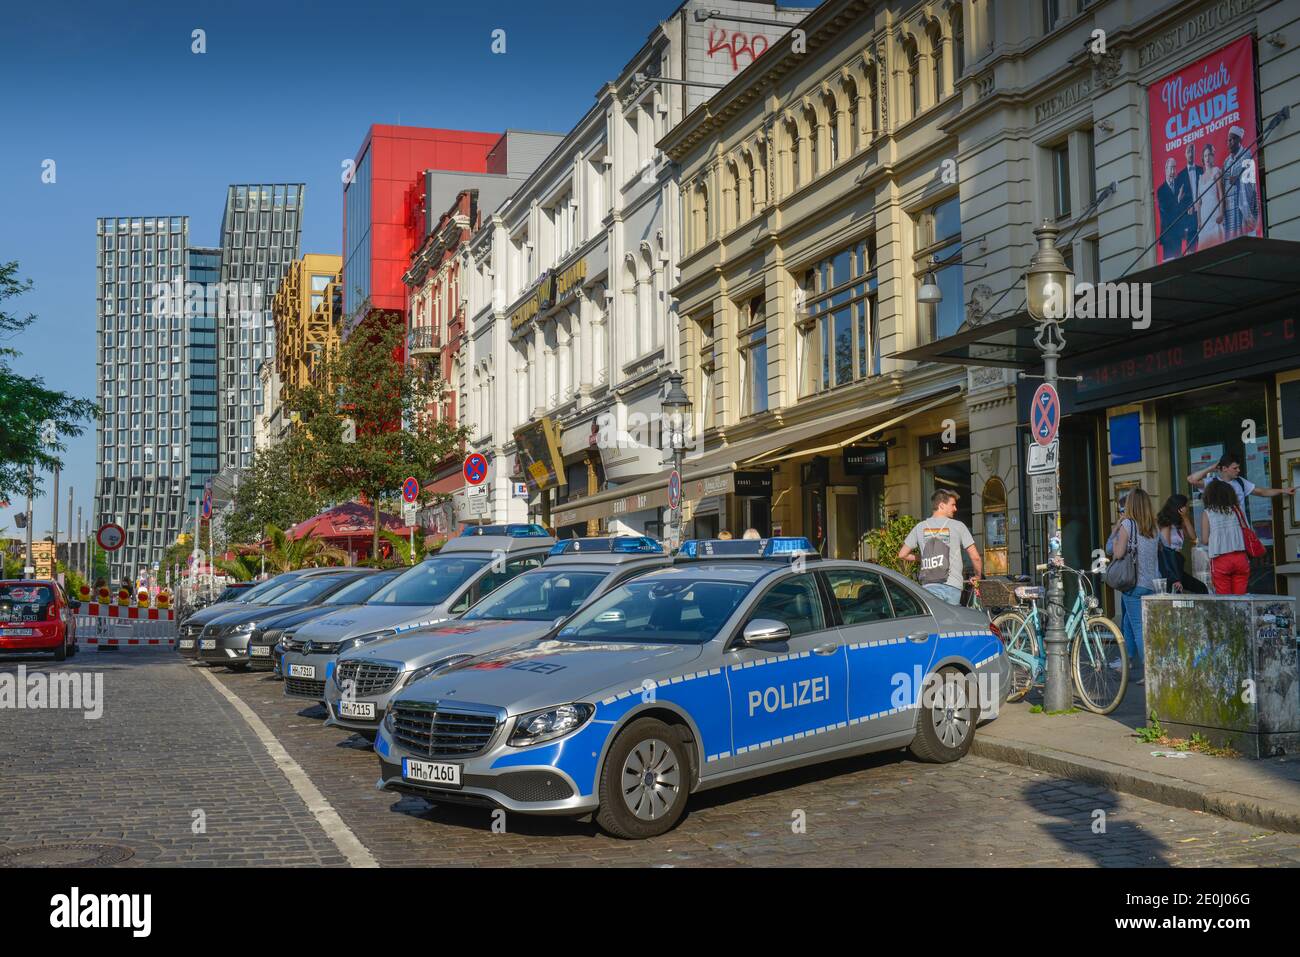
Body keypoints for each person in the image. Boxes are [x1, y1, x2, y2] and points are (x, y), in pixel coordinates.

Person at [898, 490, 981, 605]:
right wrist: (977, 575)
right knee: (951, 617)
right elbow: (975, 557)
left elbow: (902, 554)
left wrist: (923, 557)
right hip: (952, 586)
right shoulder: (958, 526)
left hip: (928, 587)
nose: (955, 509)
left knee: (935, 617)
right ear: (941, 505)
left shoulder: (919, 527)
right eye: (952, 505)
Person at [1112, 487, 1160, 683]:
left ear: (1130, 505)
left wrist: (1116, 537)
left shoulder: (1128, 525)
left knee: (1139, 627)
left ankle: (1150, 672)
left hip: (1134, 584)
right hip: (1152, 584)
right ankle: (1126, 662)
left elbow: (1118, 553)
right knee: (1129, 624)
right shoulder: (1153, 527)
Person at [1187, 451, 1295, 511]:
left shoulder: (1240, 482)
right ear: (1224, 468)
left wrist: (1283, 490)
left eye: (1238, 467)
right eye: (1235, 468)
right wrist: (1211, 467)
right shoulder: (1212, 483)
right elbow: (1191, 479)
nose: (1238, 470)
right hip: (1222, 530)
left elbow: (1262, 492)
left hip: (1241, 529)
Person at [1200, 479, 1250, 595]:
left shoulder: (1208, 513)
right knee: (1240, 598)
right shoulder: (1237, 510)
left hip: (1220, 559)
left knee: (1224, 599)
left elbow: (1205, 540)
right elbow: (1246, 531)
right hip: (1240, 558)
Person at [1156, 493, 1207, 594]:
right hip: (1171, 563)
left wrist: (1185, 518)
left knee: (1200, 587)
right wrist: (1174, 575)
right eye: (1185, 506)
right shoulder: (1166, 524)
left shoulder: (1179, 523)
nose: (1187, 508)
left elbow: (1193, 537)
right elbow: (1167, 549)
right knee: (1180, 591)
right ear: (1179, 507)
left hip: (1177, 561)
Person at [1221, 125, 1259, 240]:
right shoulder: (1226, 162)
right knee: (1231, 240)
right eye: (1228, 140)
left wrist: (1238, 180)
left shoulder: (1246, 155)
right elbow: (1223, 185)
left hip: (1242, 205)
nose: (1230, 143)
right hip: (1229, 207)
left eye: (1232, 139)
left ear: (1239, 140)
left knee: (1245, 238)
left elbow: (1250, 181)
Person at [1156, 157, 1189, 259]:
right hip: (1168, 235)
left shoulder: (1179, 186)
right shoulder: (1161, 190)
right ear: (1165, 169)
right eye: (1170, 168)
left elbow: (1184, 209)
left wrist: (1185, 227)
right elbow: (1166, 210)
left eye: (1174, 168)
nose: (1172, 171)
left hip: (1178, 233)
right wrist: (1178, 200)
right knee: (1170, 263)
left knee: (1179, 262)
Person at [1196, 142, 1224, 248]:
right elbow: (1198, 202)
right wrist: (1199, 221)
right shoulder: (1200, 178)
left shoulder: (1216, 171)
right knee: (1204, 247)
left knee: (1217, 245)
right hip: (1204, 216)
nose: (1207, 158)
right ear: (1203, 158)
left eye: (1209, 155)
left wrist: (1221, 213)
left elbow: (1221, 193)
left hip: (1214, 212)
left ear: (1213, 156)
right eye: (1205, 156)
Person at [1177, 142, 1203, 253]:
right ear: (1185, 154)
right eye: (1188, 151)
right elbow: (1179, 200)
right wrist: (1187, 207)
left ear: (1195, 152)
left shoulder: (1201, 170)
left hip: (1203, 212)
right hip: (1189, 217)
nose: (1191, 154)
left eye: (1192, 151)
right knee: (1191, 249)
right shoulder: (1180, 175)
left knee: (1205, 245)